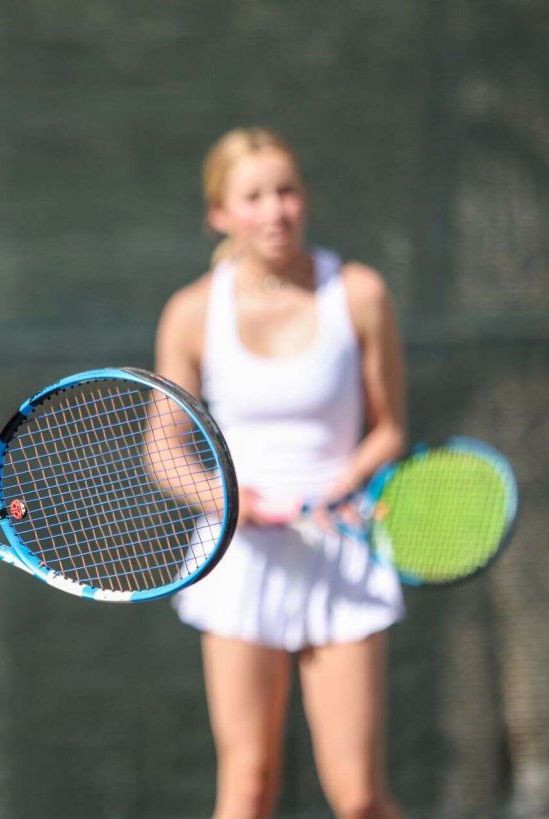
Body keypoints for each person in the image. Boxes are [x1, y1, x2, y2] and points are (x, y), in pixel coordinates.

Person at [155, 127, 406, 819]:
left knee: (358, 797)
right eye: (254, 196)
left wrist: (341, 482)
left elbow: (389, 429)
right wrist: (232, 500)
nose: (275, 211)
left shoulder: (358, 293)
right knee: (248, 787)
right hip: (239, 560)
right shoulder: (192, 311)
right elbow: (164, 450)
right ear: (220, 213)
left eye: (287, 191)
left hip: (341, 549)